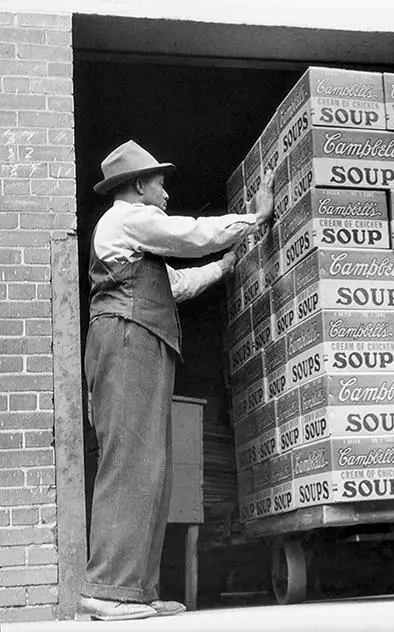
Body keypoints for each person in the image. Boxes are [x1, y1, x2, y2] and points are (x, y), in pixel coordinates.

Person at [79, 140, 274, 621]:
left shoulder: (134, 238)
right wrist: (255, 217)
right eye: (160, 184)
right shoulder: (127, 217)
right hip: (127, 338)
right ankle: (107, 590)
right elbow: (189, 235)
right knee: (129, 461)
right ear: (139, 185)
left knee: (150, 466)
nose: (166, 193)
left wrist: (224, 268)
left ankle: (134, 592)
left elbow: (176, 283)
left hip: (142, 341)